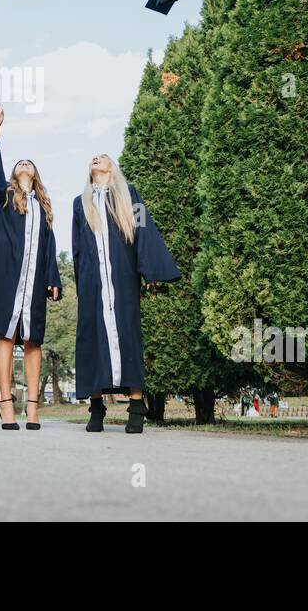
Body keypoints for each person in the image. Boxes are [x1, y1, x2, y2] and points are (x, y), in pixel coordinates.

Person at [72, 153, 180, 435]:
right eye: (92, 157)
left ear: (111, 167)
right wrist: (80, 283)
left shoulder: (128, 196)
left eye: (102, 156)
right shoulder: (79, 204)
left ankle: (136, 406)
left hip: (122, 278)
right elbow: (77, 249)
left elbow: (143, 231)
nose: (95, 158)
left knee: (128, 337)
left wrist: (150, 270)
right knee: (92, 339)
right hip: (92, 283)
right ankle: (96, 408)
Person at [0, 105, 61, 430]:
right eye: (19, 162)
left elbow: (49, 247)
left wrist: (53, 278)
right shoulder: (4, 196)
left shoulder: (44, 207)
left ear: (35, 174)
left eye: (29, 162)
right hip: (8, 280)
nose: (24, 164)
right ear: (14, 173)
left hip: (34, 282)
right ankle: (6, 404)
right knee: (6, 337)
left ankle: (34, 408)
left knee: (34, 341)